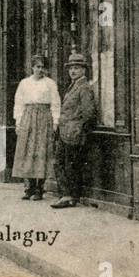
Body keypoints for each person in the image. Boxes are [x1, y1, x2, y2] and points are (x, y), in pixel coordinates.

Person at [52, 53, 98, 209]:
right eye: (71, 68)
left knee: (68, 164)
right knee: (61, 163)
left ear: (84, 70)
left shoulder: (84, 87)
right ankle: (68, 195)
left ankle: (68, 196)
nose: (73, 71)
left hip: (73, 133)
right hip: (65, 132)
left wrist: (79, 129)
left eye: (77, 68)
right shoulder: (73, 86)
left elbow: (89, 113)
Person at [12, 55, 60, 201]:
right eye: (37, 66)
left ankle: (40, 188)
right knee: (28, 151)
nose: (40, 70)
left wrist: (55, 121)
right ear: (32, 67)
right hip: (28, 117)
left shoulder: (50, 83)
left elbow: (55, 103)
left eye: (42, 67)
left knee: (41, 151)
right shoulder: (24, 83)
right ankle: (29, 187)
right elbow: (19, 103)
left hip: (44, 117)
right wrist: (18, 122)